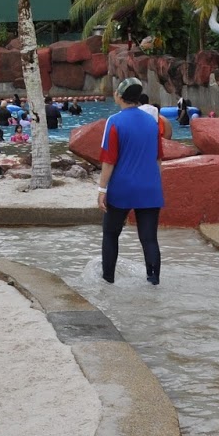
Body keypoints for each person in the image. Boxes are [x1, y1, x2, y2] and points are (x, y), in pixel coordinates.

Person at [97, 77, 164, 286]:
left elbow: (109, 160)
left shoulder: (114, 121)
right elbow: (158, 158)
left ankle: (108, 280)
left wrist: (101, 189)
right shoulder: (152, 122)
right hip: (150, 187)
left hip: (122, 188)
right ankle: (153, 282)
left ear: (119, 96)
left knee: (110, 234)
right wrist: (155, 184)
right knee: (149, 238)